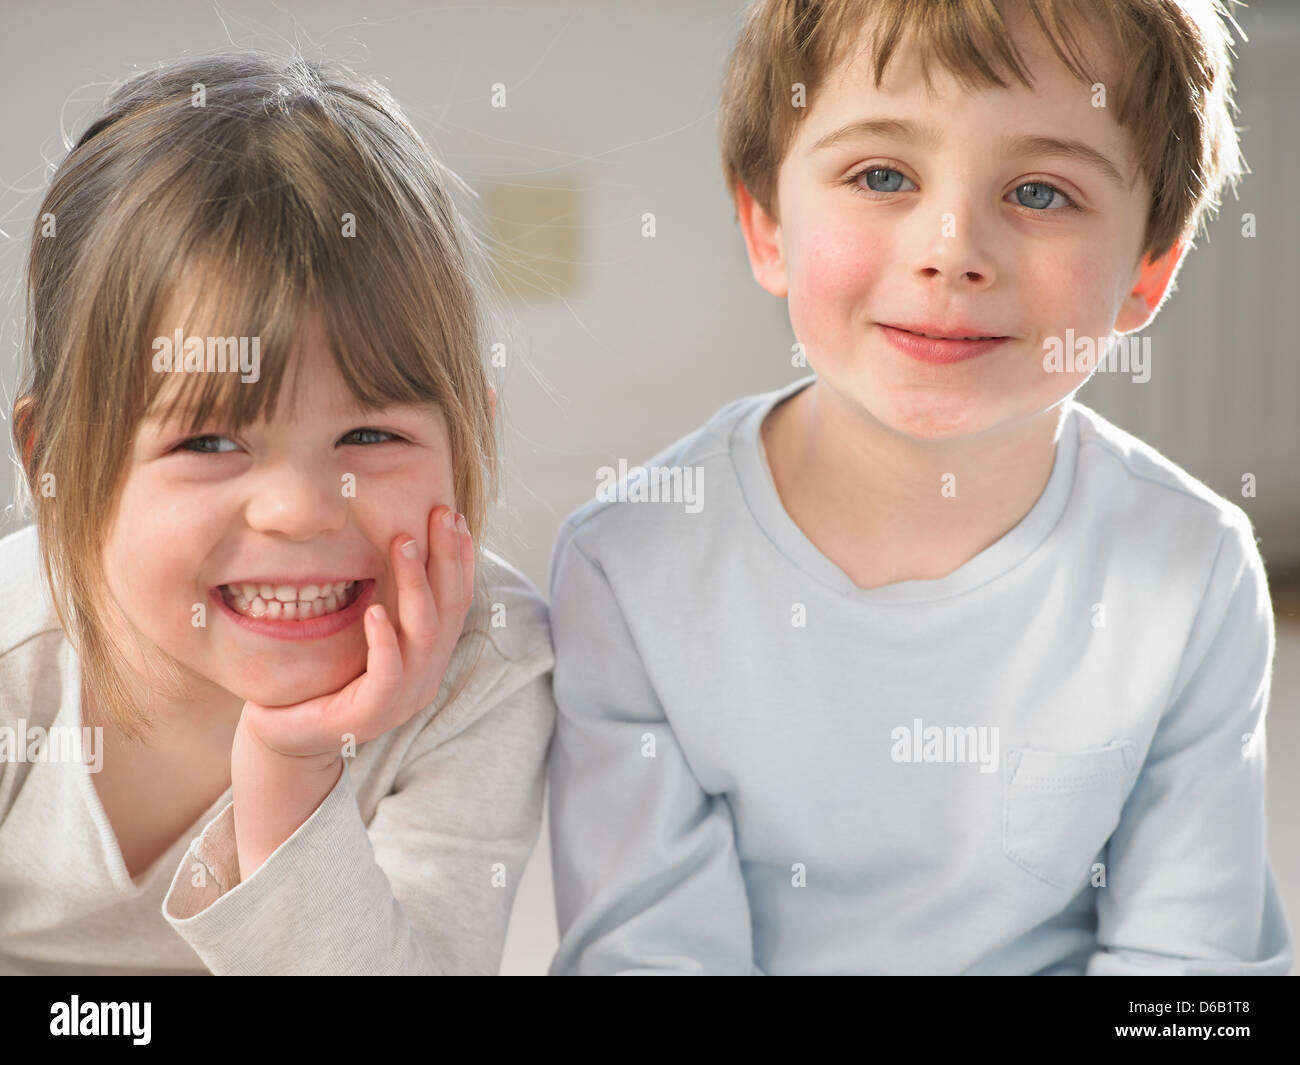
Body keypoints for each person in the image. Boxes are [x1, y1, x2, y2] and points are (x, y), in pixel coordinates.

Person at [546, 0, 1292, 974]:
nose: (952, 250)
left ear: (1149, 270)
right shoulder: (629, 568)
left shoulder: (1192, 571)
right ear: (766, 225)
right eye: (882, 176)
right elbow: (646, 957)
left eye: (1037, 191)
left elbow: (1186, 976)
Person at [0, 50, 554, 975]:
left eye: (371, 436)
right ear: (53, 463)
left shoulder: (486, 670)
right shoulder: (19, 665)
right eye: (209, 443)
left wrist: (291, 768)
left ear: (466, 439)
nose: (301, 511)